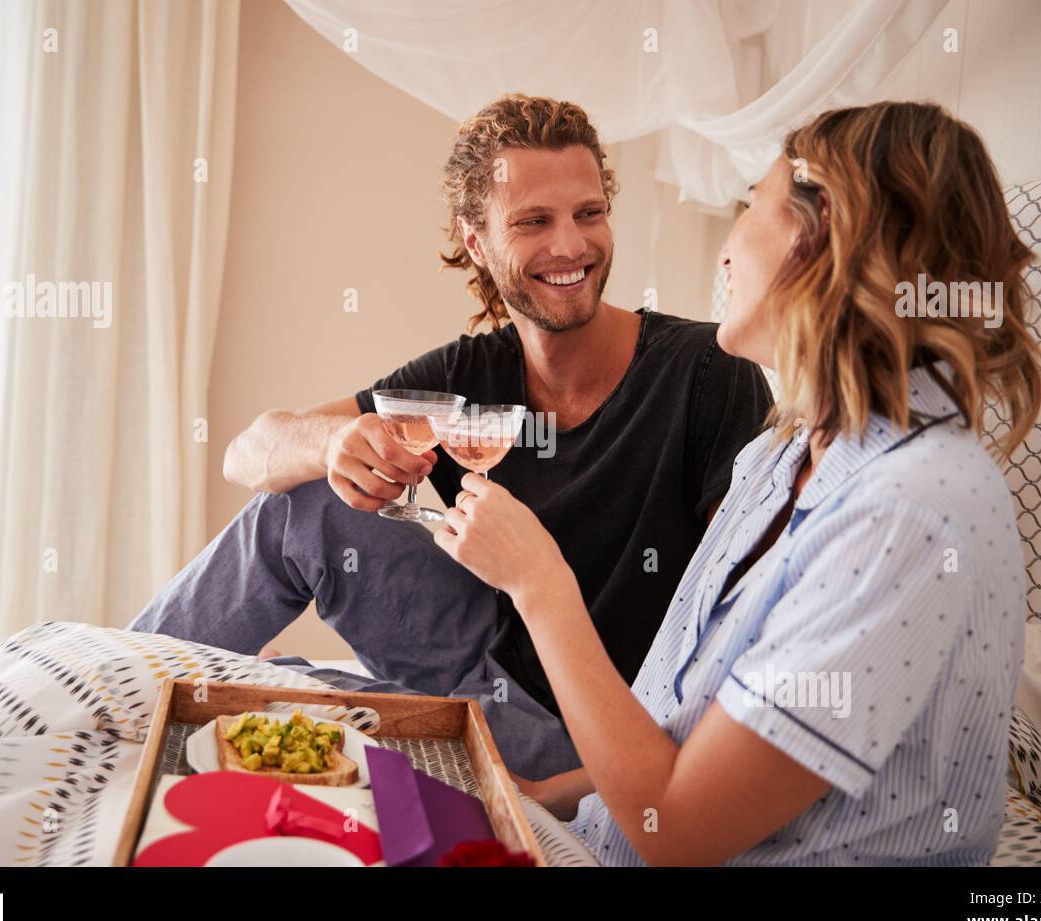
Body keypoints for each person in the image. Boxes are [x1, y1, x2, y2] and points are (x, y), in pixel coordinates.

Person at [434, 101, 1041, 865]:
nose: (726, 250)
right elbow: (691, 729)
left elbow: (681, 829)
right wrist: (531, 791)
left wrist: (539, 584)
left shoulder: (913, 511)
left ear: (823, 241)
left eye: (749, 206)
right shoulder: (781, 456)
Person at [128, 94, 772, 778]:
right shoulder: (468, 373)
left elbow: (742, 626)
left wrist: (594, 787)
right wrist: (332, 446)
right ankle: (120, 684)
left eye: (589, 213)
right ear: (477, 241)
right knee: (302, 502)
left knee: (301, 696)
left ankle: (285, 699)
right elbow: (248, 452)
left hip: (595, 726)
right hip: (486, 658)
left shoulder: (708, 371)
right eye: (534, 221)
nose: (571, 246)